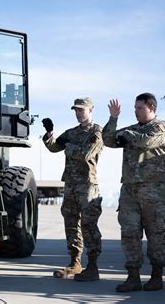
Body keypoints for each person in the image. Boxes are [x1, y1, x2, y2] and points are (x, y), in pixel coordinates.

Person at [102, 93, 165, 292]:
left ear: (151, 107)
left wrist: (126, 135)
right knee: (130, 234)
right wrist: (114, 118)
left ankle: (156, 277)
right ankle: (133, 278)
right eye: (134, 108)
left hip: (154, 192)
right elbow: (108, 140)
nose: (135, 112)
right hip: (130, 191)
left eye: (139, 108)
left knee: (156, 234)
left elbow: (147, 142)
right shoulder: (132, 129)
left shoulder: (162, 127)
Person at [42, 97, 103, 282]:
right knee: (71, 223)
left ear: (91, 110)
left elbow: (87, 153)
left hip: (87, 185)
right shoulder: (71, 132)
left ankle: (92, 267)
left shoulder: (97, 131)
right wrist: (49, 134)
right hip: (70, 184)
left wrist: (69, 148)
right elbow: (54, 148)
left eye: (81, 110)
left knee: (88, 225)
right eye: (75, 110)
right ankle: (75, 263)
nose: (78, 113)